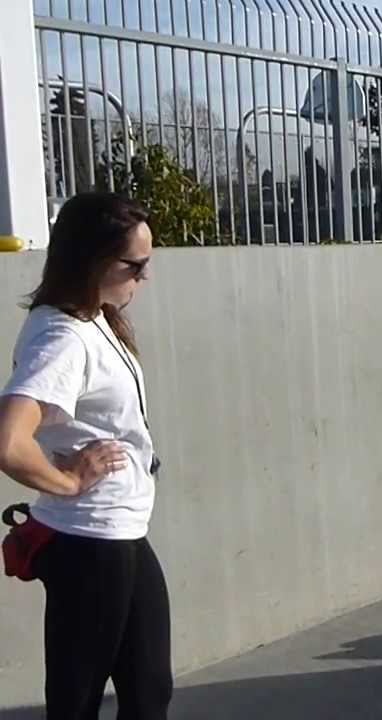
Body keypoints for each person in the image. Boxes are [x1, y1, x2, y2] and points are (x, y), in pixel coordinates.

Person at [0, 193, 170, 719]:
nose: (144, 278)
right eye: (134, 266)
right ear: (90, 258)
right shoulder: (63, 336)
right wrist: (69, 482)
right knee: (77, 700)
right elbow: (9, 442)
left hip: (119, 533)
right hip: (90, 543)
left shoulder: (95, 315)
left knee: (148, 692)